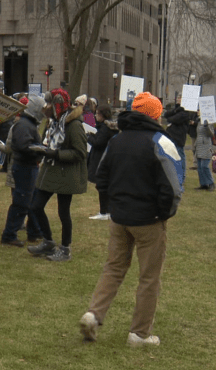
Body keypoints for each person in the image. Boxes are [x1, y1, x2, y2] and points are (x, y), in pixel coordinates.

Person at [79, 91, 183, 347]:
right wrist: (163, 213)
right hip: (149, 220)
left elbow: (100, 177)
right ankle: (140, 333)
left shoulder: (117, 140)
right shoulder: (161, 141)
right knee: (149, 277)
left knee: (113, 268)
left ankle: (94, 314)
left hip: (120, 216)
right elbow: (173, 187)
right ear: (156, 115)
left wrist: (115, 203)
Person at [27, 88, 88, 262]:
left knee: (63, 212)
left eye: (49, 103)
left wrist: (55, 154)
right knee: (36, 206)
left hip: (65, 173)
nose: (46, 107)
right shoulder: (54, 121)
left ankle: (65, 249)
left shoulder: (74, 125)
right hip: (51, 170)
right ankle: (48, 242)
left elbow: (80, 152)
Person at [0, 96, 47, 247]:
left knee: (32, 201)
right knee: (21, 202)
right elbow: (22, 146)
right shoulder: (24, 125)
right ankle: (9, 234)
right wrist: (40, 151)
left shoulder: (27, 124)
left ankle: (34, 232)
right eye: (42, 109)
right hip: (25, 167)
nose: (44, 112)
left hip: (28, 166)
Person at [86, 104, 119, 220]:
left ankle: (104, 211)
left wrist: (88, 137)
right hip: (105, 158)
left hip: (101, 158)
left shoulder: (105, 128)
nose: (95, 116)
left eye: (97, 114)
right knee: (104, 185)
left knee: (102, 186)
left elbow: (99, 143)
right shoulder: (108, 127)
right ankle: (107, 210)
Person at [164, 104, 190, 185]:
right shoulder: (177, 109)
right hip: (171, 136)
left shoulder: (185, 112)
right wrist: (175, 111)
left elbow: (175, 119)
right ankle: (173, 176)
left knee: (180, 157)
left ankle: (181, 177)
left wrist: (171, 118)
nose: (178, 99)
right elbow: (166, 115)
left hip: (179, 138)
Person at [193, 115, 216, 191]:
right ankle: (203, 184)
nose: (198, 112)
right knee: (199, 166)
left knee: (204, 166)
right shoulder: (199, 121)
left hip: (206, 146)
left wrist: (206, 126)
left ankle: (211, 183)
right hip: (199, 145)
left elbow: (211, 134)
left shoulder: (208, 121)